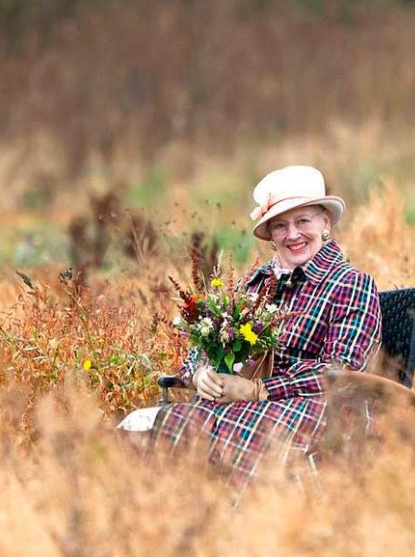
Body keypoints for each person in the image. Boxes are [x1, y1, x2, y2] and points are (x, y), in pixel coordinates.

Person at [147, 165, 381, 481]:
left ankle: (249, 521)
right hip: (237, 410)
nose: (293, 234)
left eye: (303, 221)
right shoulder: (250, 287)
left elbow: (341, 371)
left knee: (246, 434)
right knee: (150, 431)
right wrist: (201, 374)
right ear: (270, 235)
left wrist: (257, 389)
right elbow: (199, 351)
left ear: (325, 221)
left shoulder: (350, 284)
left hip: (315, 413)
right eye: (280, 225)